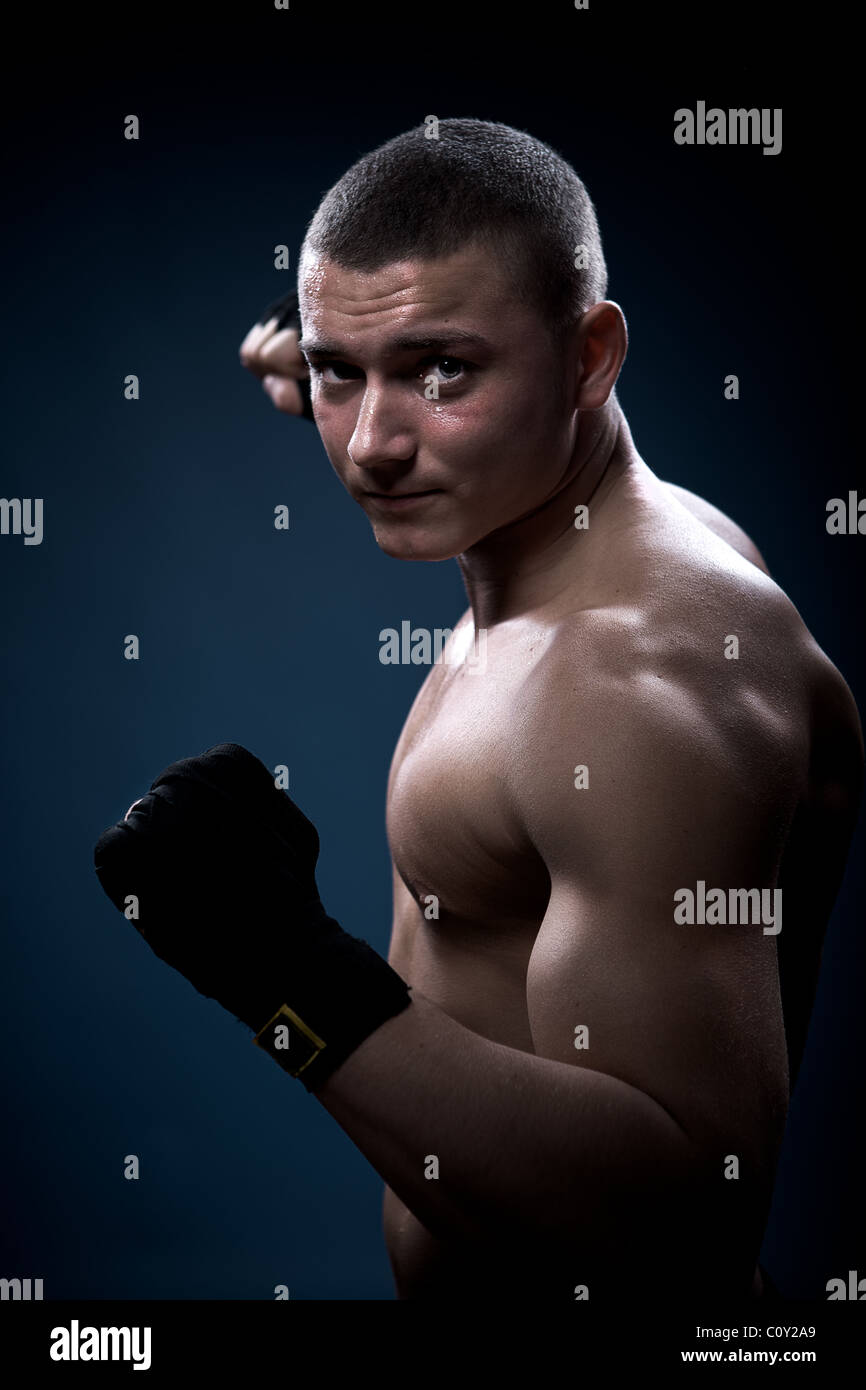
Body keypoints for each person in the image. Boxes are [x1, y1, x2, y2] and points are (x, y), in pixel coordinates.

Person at [98, 120, 863, 1303]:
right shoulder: (585, 522)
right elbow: (415, 404)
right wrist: (353, 370)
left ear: (588, 357)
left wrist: (278, 972)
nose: (368, 447)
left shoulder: (629, 679)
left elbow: (687, 1242)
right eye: (339, 372)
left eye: (440, 368)